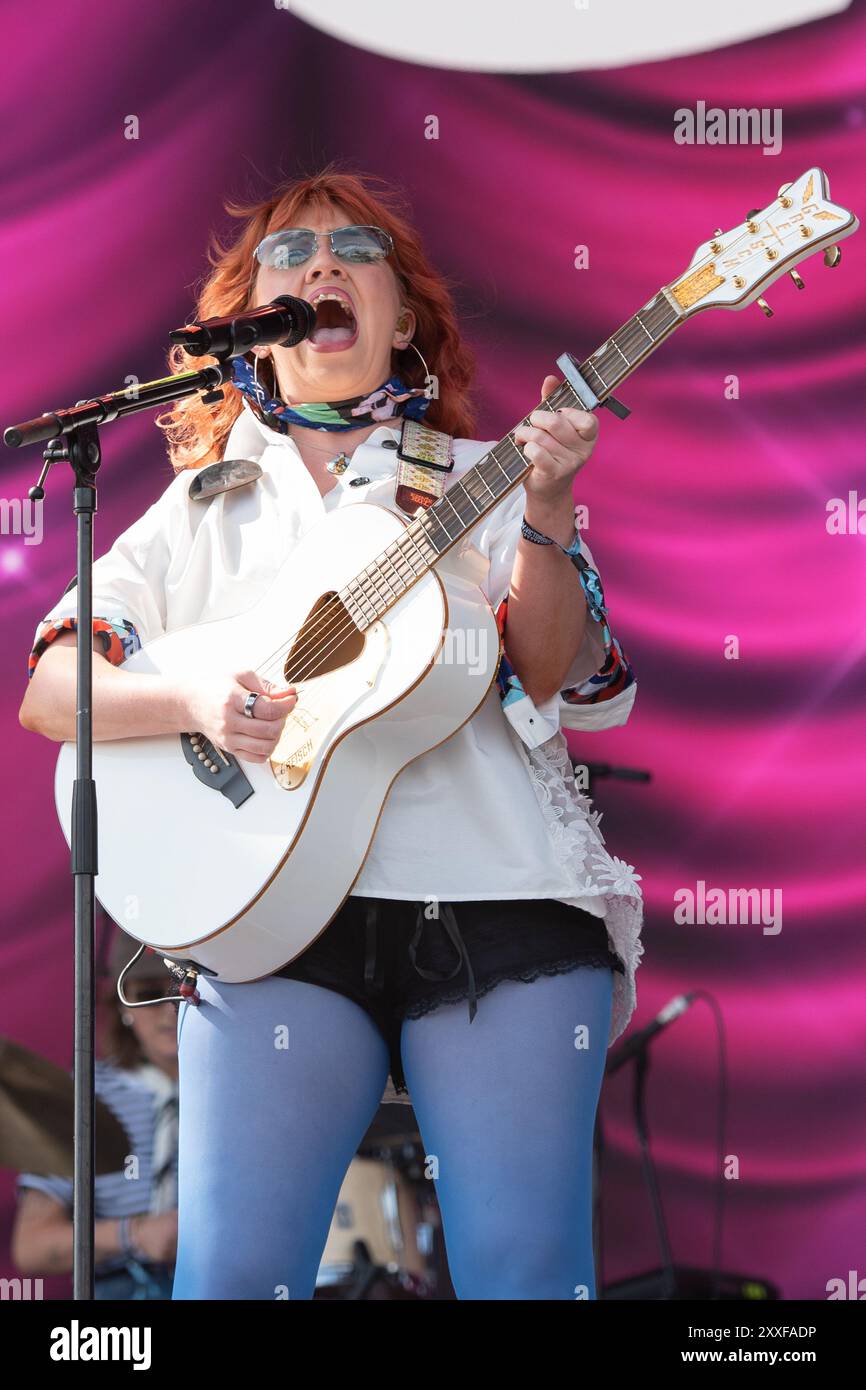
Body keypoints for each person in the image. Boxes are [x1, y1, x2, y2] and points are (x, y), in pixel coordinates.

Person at [19, 165, 644, 1300]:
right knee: (230, 1281)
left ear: (402, 316)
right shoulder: (195, 509)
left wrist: (545, 515)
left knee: (527, 1276)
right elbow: (56, 689)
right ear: (244, 328)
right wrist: (195, 704)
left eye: (357, 251)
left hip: (496, 905)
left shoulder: (481, 480)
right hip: (270, 921)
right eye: (288, 255)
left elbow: (553, 673)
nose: (319, 267)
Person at [11, 932, 178, 1299]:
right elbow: (32, 1245)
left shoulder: (247, 1090)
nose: (170, 1008)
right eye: (149, 992)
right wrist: (135, 1234)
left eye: (182, 988)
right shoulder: (84, 1094)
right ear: (122, 1004)